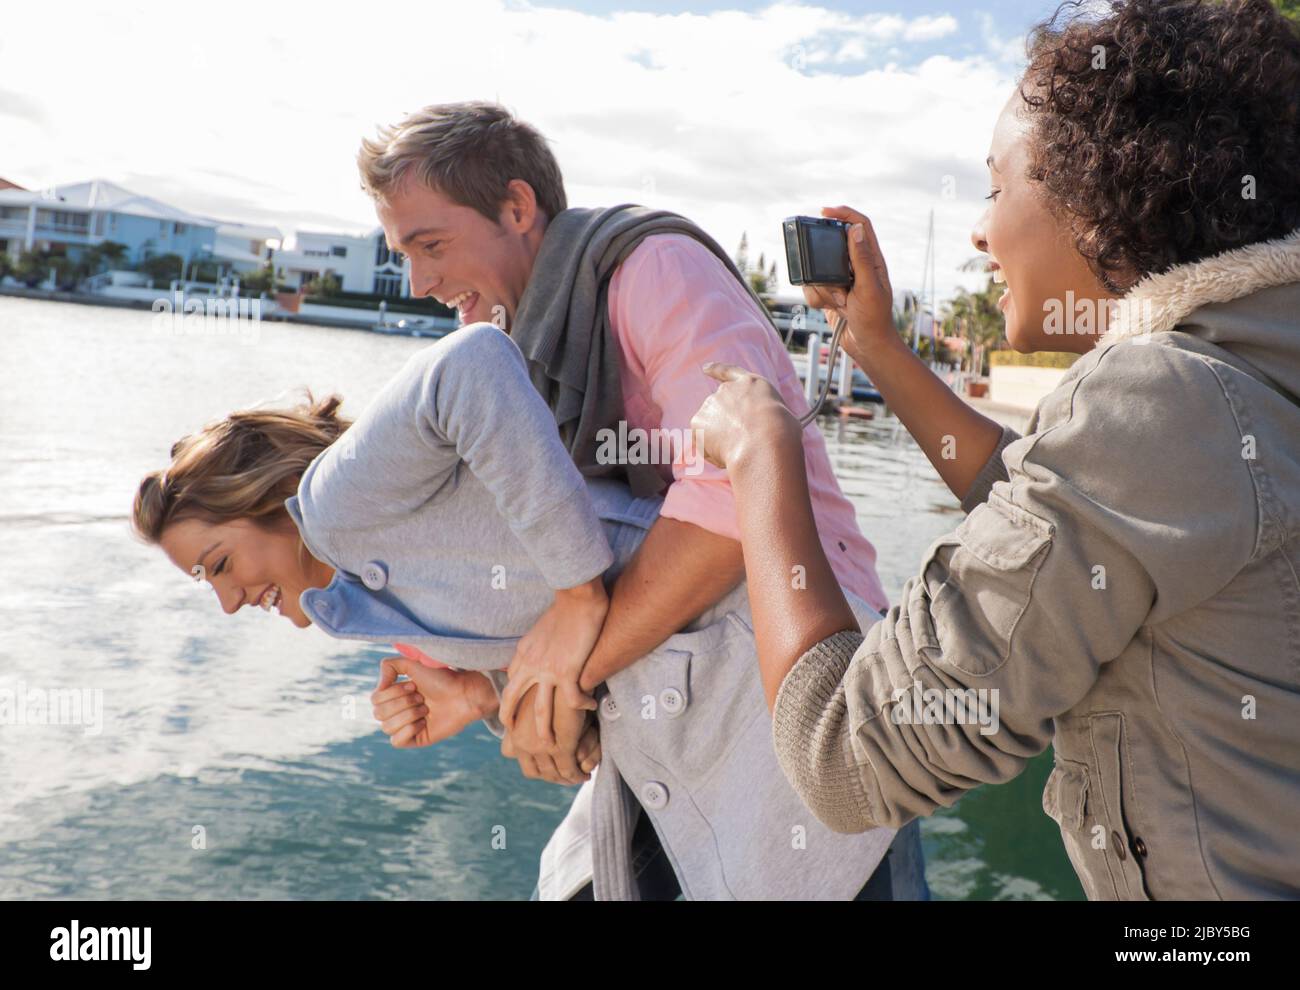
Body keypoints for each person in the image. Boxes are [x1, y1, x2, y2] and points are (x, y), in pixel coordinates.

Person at [689, 0, 1300, 899]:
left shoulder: (1163, 397)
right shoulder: (1244, 373)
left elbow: (844, 757)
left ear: (1096, 194)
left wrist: (761, 456)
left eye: (995, 186)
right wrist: (877, 348)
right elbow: (1047, 516)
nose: (979, 231)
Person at [354, 100, 926, 895]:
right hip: (667, 716)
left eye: (431, 244)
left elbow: (733, 502)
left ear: (517, 208)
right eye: (402, 254)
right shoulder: (518, 353)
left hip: (801, 711)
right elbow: (572, 572)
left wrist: (557, 669)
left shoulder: (652, 269)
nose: (418, 281)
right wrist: (493, 690)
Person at [132, 321, 901, 900]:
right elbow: (574, 679)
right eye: (209, 586)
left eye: (220, 565)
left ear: (260, 502)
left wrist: (576, 591)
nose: (230, 602)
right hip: (720, 751)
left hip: (773, 717)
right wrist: (484, 697)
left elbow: (473, 360)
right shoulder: (371, 593)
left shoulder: (332, 501)